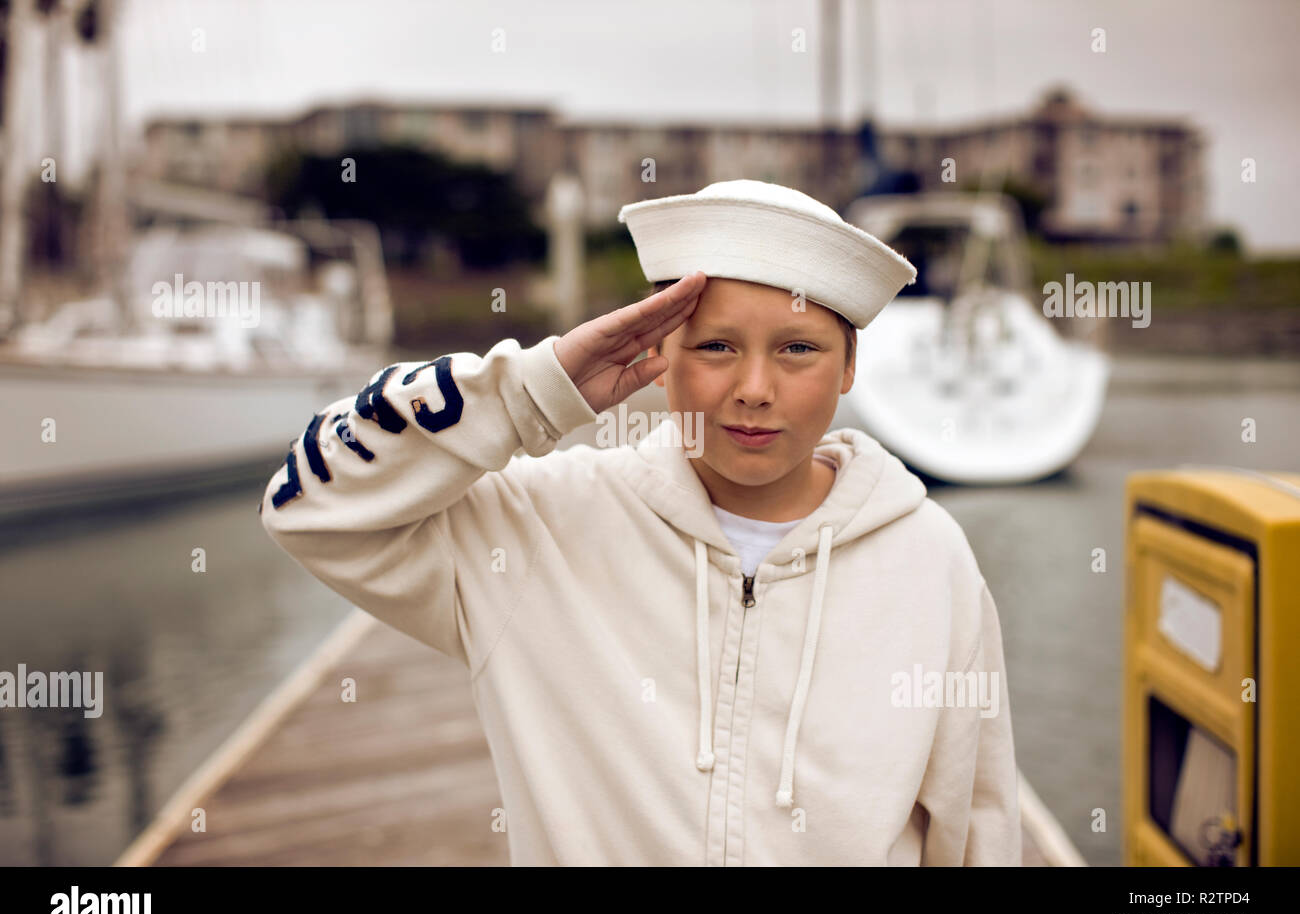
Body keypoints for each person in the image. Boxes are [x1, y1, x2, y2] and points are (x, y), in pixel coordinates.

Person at [259, 179, 1021, 866]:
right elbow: (313, 504)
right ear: (658, 351)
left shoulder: (928, 557)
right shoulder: (539, 528)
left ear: (850, 367)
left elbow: (975, 824)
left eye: (798, 349)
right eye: (716, 346)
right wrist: (530, 392)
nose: (755, 389)